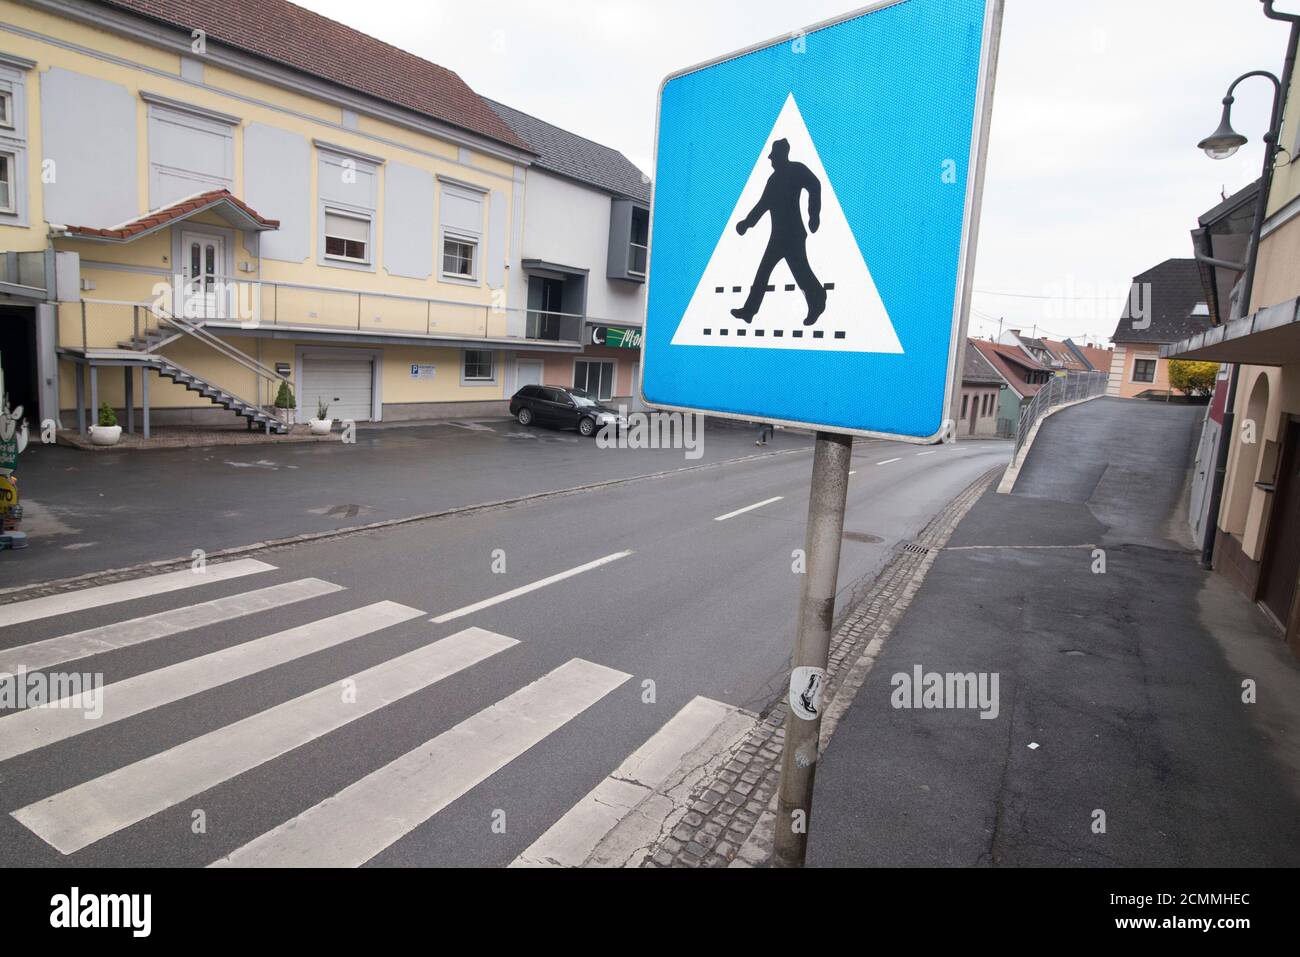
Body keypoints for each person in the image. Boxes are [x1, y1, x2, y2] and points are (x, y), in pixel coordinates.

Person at [731, 138, 827, 327]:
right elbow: (762, 205)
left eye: (773, 157)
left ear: (782, 155)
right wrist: (746, 224)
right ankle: (749, 311)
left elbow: (815, 184)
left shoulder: (796, 169)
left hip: (794, 235)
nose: (771, 160)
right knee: (763, 272)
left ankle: (818, 299)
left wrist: (813, 214)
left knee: (801, 273)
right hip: (778, 237)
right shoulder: (773, 180)